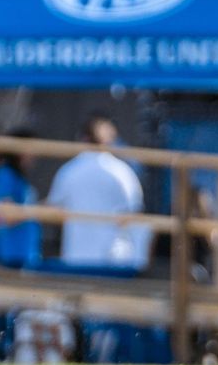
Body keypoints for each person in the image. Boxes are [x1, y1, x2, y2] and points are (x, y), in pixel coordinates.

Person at [46, 115, 152, 270]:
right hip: (113, 261)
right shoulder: (122, 172)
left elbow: (53, 211)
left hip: (76, 258)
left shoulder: (68, 170)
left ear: (83, 138)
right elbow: (134, 216)